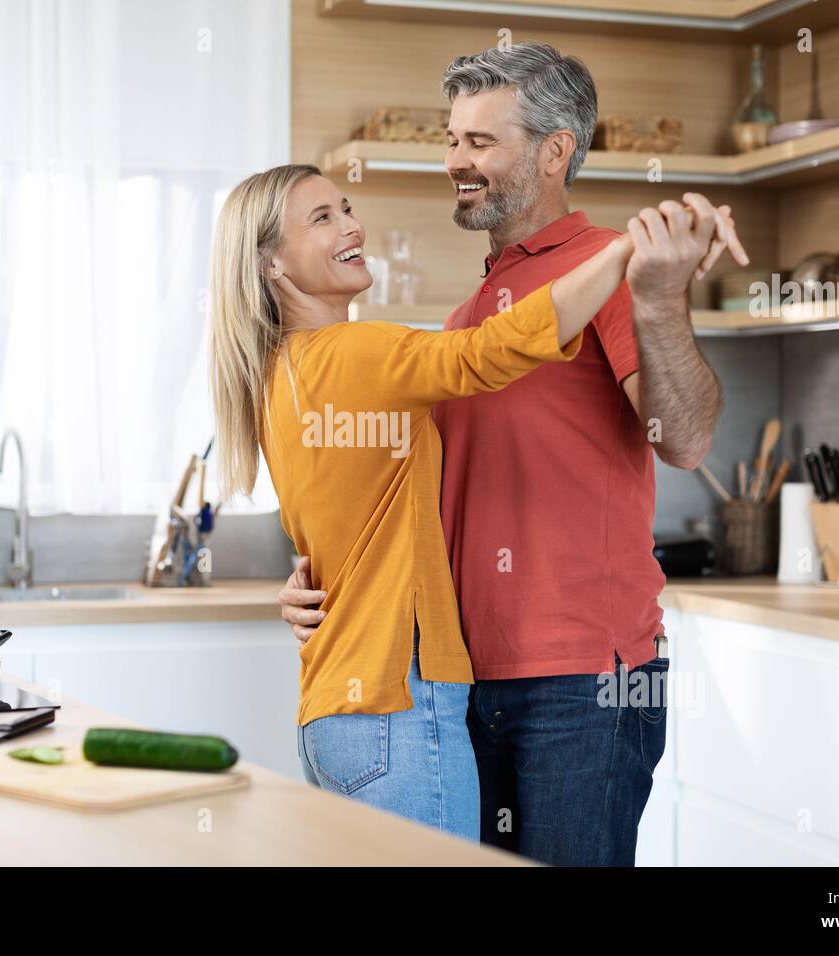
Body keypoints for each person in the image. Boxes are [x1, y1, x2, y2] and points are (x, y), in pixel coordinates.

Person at [278, 42, 747, 864]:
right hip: (462, 683)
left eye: (480, 142)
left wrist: (661, 297)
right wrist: (326, 578)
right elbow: (407, 500)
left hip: (584, 682)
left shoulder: (606, 277)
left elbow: (687, 439)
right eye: (452, 140)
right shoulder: (468, 321)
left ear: (554, 152)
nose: (457, 161)